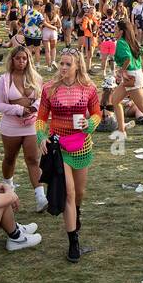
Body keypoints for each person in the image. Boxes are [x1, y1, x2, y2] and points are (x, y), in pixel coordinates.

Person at [36, 48, 102, 263]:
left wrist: (89, 124)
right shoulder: (49, 88)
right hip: (58, 148)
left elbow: (97, 114)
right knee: (70, 194)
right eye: (61, 63)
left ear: (77, 66)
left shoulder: (88, 88)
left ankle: (77, 215)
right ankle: (73, 243)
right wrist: (41, 136)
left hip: (82, 145)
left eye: (67, 64)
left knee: (80, 193)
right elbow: (41, 118)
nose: (63, 68)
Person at [0, 46, 44, 210]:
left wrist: (35, 107)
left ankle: (40, 197)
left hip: (31, 124)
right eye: (18, 58)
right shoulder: (5, 79)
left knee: (33, 159)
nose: (21, 61)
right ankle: (9, 187)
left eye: (24, 58)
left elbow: (42, 97)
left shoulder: (36, 78)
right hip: (10, 125)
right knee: (10, 158)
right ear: (12, 60)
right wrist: (18, 109)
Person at [108, 15, 143, 134]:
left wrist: (122, 71)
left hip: (131, 76)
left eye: (116, 29)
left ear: (121, 31)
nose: (114, 31)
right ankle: (121, 129)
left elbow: (127, 59)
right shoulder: (132, 41)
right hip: (135, 74)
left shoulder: (120, 42)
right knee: (115, 100)